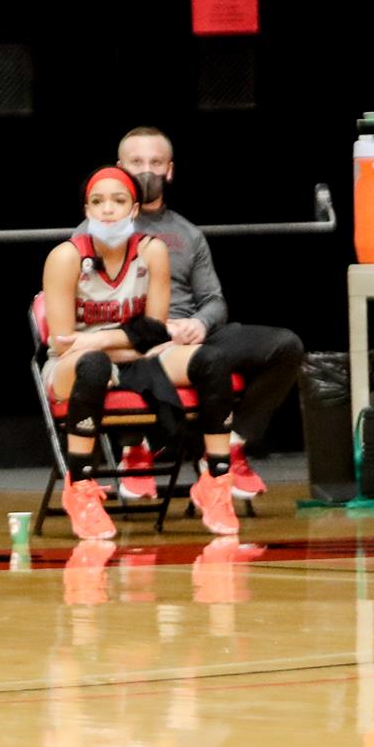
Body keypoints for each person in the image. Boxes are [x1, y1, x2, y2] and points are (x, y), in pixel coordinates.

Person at [90, 128, 306, 506]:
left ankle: (229, 446)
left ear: (170, 170)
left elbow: (214, 301)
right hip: (135, 338)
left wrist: (199, 324)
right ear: (119, 168)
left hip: (192, 335)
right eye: (137, 163)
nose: (147, 171)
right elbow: (91, 307)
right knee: (123, 353)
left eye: (156, 162)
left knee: (286, 346)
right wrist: (154, 332)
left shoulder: (188, 234)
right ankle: (135, 450)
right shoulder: (99, 229)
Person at [41, 169, 241, 541]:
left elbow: (155, 330)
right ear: (86, 210)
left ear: (134, 209)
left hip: (135, 357)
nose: (107, 210)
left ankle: (216, 481)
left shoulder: (152, 251)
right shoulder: (66, 257)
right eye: (97, 202)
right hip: (73, 365)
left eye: (118, 201)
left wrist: (101, 338)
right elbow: (66, 342)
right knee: (93, 364)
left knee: (212, 361)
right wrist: (125, 342)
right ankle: (80, 489)